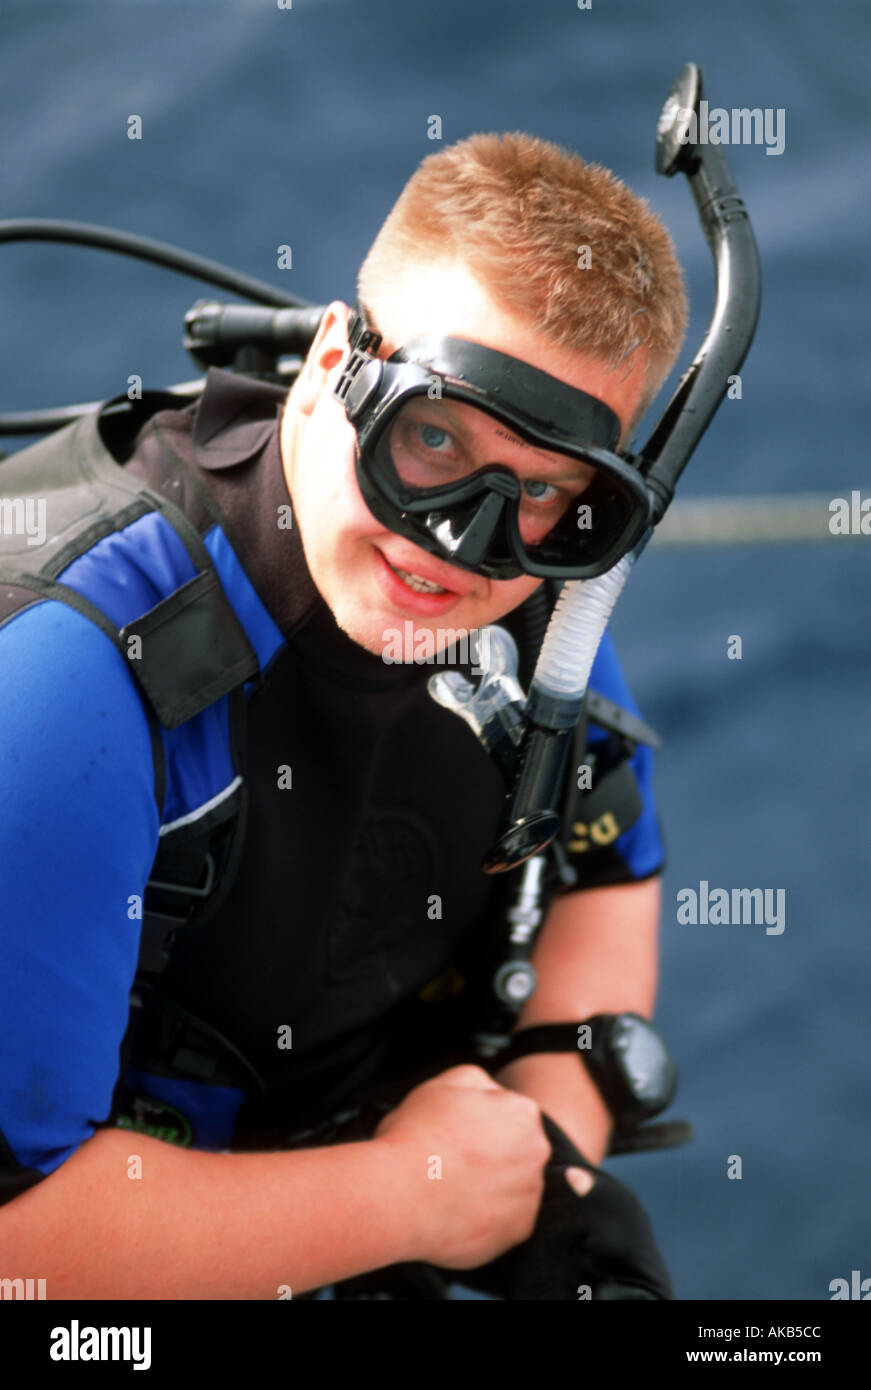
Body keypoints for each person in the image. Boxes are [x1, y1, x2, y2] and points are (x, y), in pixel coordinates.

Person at [0, 131, 687, 1299]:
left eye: (543, 496)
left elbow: (603, 870)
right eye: (432, 442)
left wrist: (532, 1159)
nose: (458, 549)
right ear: (331, 362)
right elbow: (17, 1249)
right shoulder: (66, 689)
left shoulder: (535, 607)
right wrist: (414, 1195)